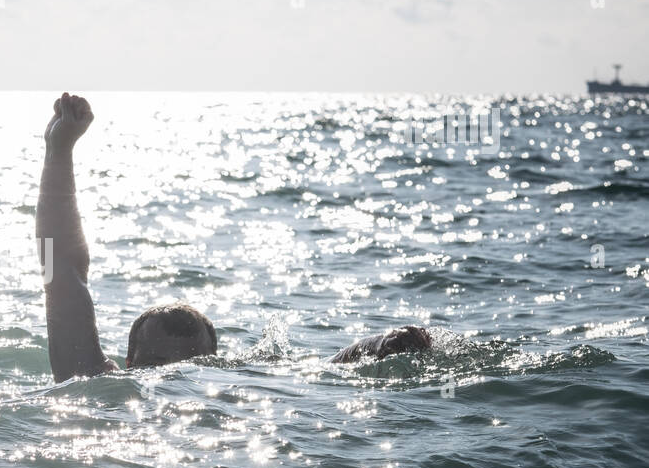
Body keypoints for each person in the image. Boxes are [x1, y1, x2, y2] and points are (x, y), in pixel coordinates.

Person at [35, 92, 431, 383]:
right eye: (158, 365)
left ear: (217, 365)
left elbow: (325, 371)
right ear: (128, 363)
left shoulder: (240, 386)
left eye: (191, 367)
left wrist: (380, 345)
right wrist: (59, 151)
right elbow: (60, 271)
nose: (174, 378)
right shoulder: (95, 380)